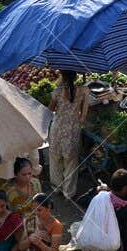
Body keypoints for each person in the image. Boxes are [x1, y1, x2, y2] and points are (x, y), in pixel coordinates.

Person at [47, 70, 90, 201]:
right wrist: (80, 119)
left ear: (62, 76)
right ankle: (68, 193)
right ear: (75, 76)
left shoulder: (58, 91)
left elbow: (50, 109)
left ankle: (56, 188)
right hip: (72, 129)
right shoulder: (83, 91)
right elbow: (84, 112)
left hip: (58, 128)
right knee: (71, 161)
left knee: (55, 158)